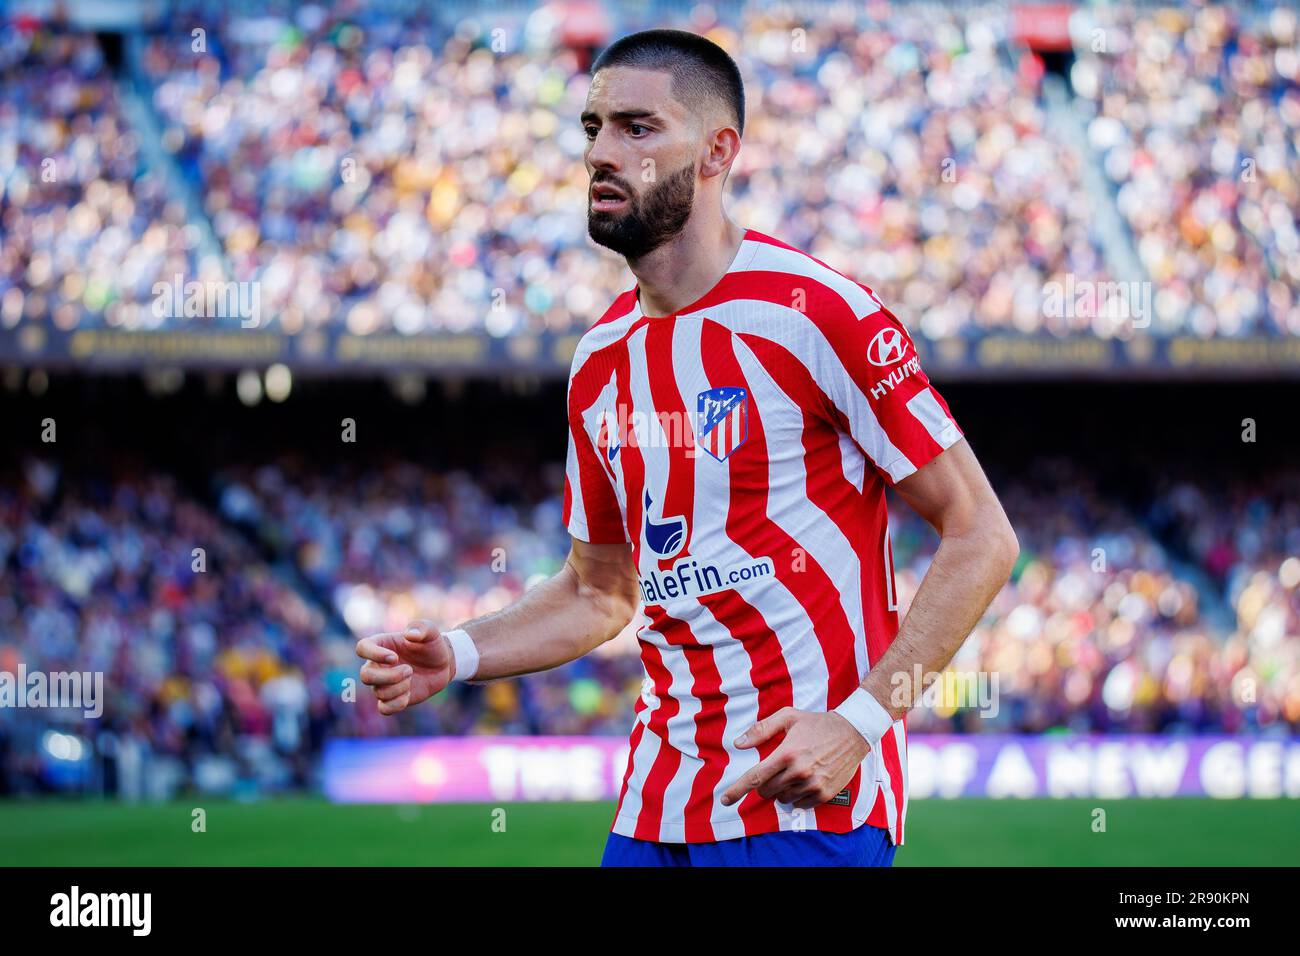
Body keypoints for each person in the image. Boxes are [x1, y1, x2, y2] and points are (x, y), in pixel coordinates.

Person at [357, 29, 1018, 867]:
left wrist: (858, 725)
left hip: (805, 811)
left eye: (637, 128)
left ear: (717, 152)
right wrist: (458, 652)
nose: (602, 152)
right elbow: (599, 592)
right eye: (593, 128)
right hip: (654, 808)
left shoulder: (816, 313)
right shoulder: (598, 364)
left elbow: (982, 536)